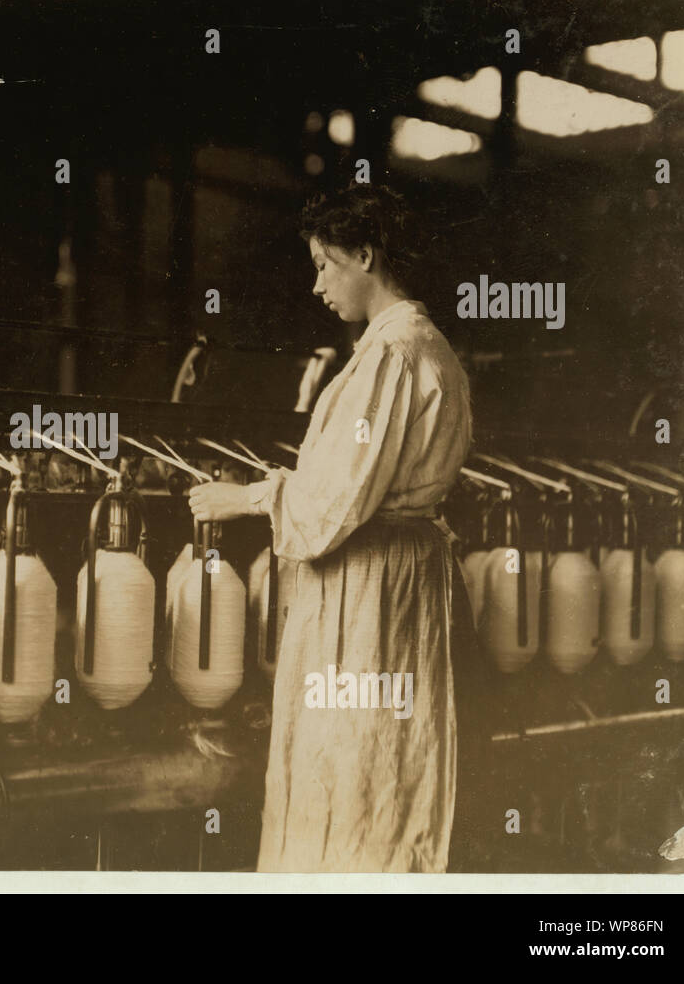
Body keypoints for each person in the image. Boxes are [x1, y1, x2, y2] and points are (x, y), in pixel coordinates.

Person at [189, 183, 475, 872]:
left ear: (366, 256)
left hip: (368, 585)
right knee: (385, 767)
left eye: (325, 264)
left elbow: (332, 505)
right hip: (397, 578)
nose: (317, 285)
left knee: (353, 769)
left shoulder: (392, 355)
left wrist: (244, 498)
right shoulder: (429, 348)